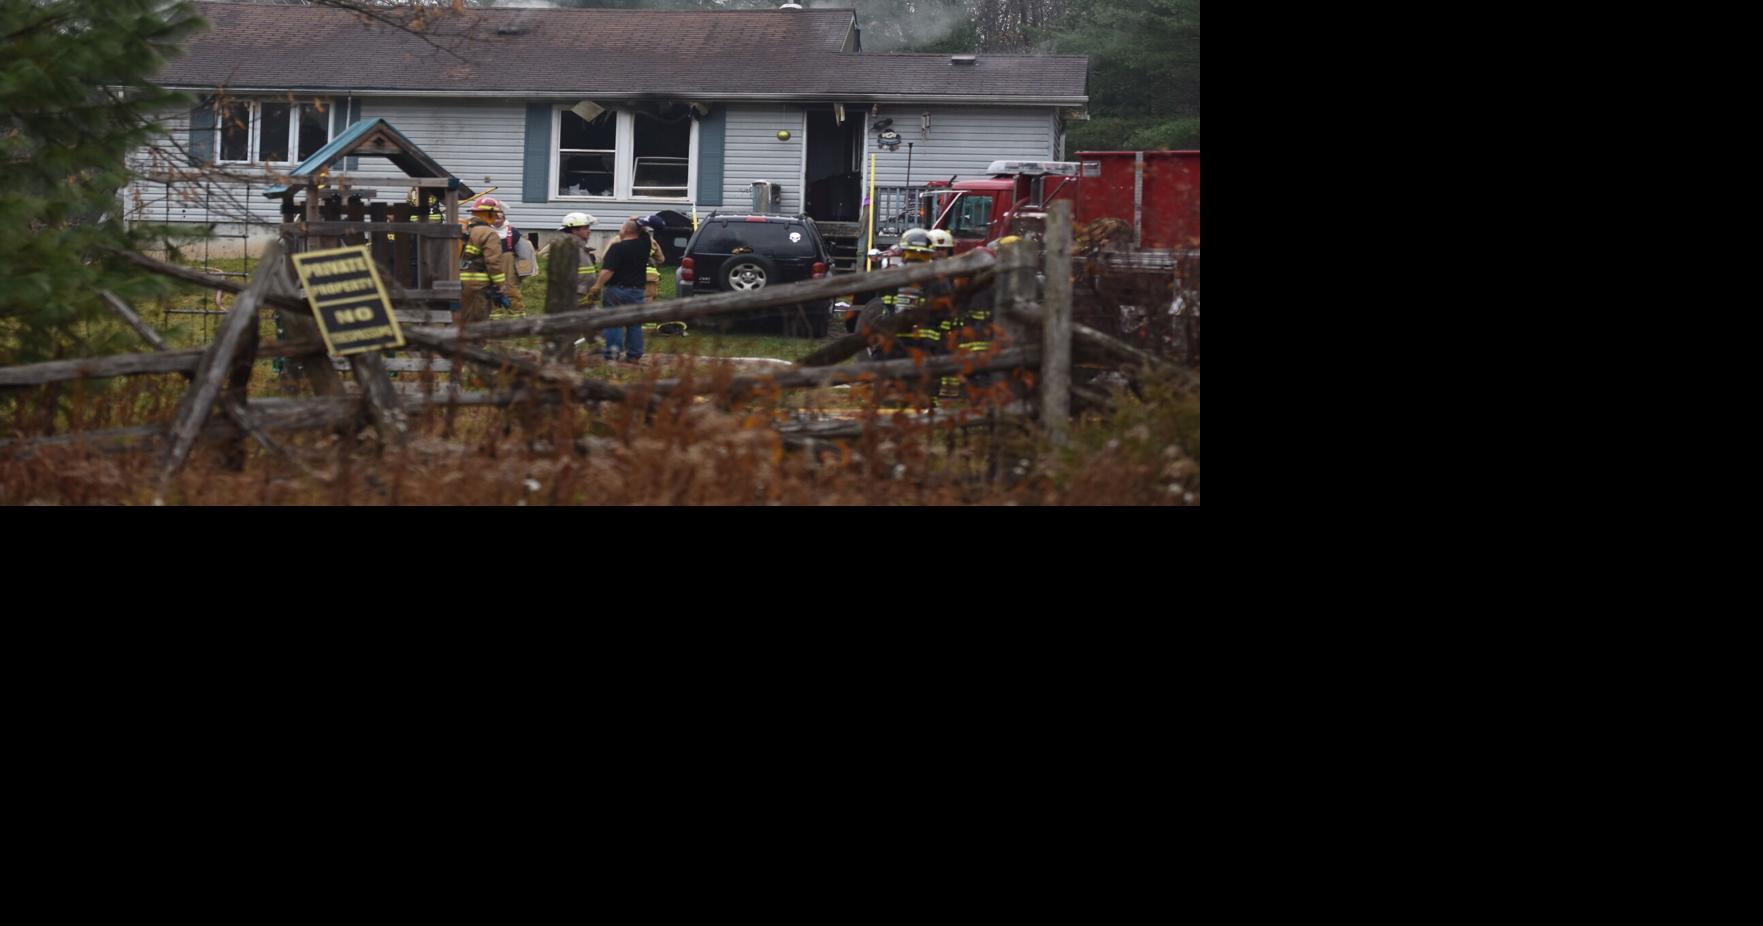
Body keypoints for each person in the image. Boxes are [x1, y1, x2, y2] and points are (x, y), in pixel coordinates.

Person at [585, 219, 649, 364]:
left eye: (621, 228)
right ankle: (634, 354)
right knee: (634, 323)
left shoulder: (617, 248)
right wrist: (637, 221)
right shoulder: (644, 245)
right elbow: (645, 230)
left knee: (614, 322)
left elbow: (608, 271)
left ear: (626, 231)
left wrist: (597, 286)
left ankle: (612, 354)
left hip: (616, 290)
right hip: (637, 291)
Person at [457, 198, 507, 327]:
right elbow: (493, 261)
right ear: (489, 214)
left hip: (454, 279)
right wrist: (500, 284)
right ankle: (474, 346)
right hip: (477, 283)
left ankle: (451, 343)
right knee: (477, 318)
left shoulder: (462, 228)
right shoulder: (489, 233)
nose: (496, 217)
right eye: (495, 214)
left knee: (457, 316)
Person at [489, 202, 528, 315]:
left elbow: (523, 253)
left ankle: (517, 312)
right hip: (491, 263)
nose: (496, 221)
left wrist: (524, 271)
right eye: (494, 218)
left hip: (508, 264)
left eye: (499, 218)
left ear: (504, 218)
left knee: (511, 288)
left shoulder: (513, 232)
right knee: (490, 288)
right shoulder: (486, 231)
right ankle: (494, 313)